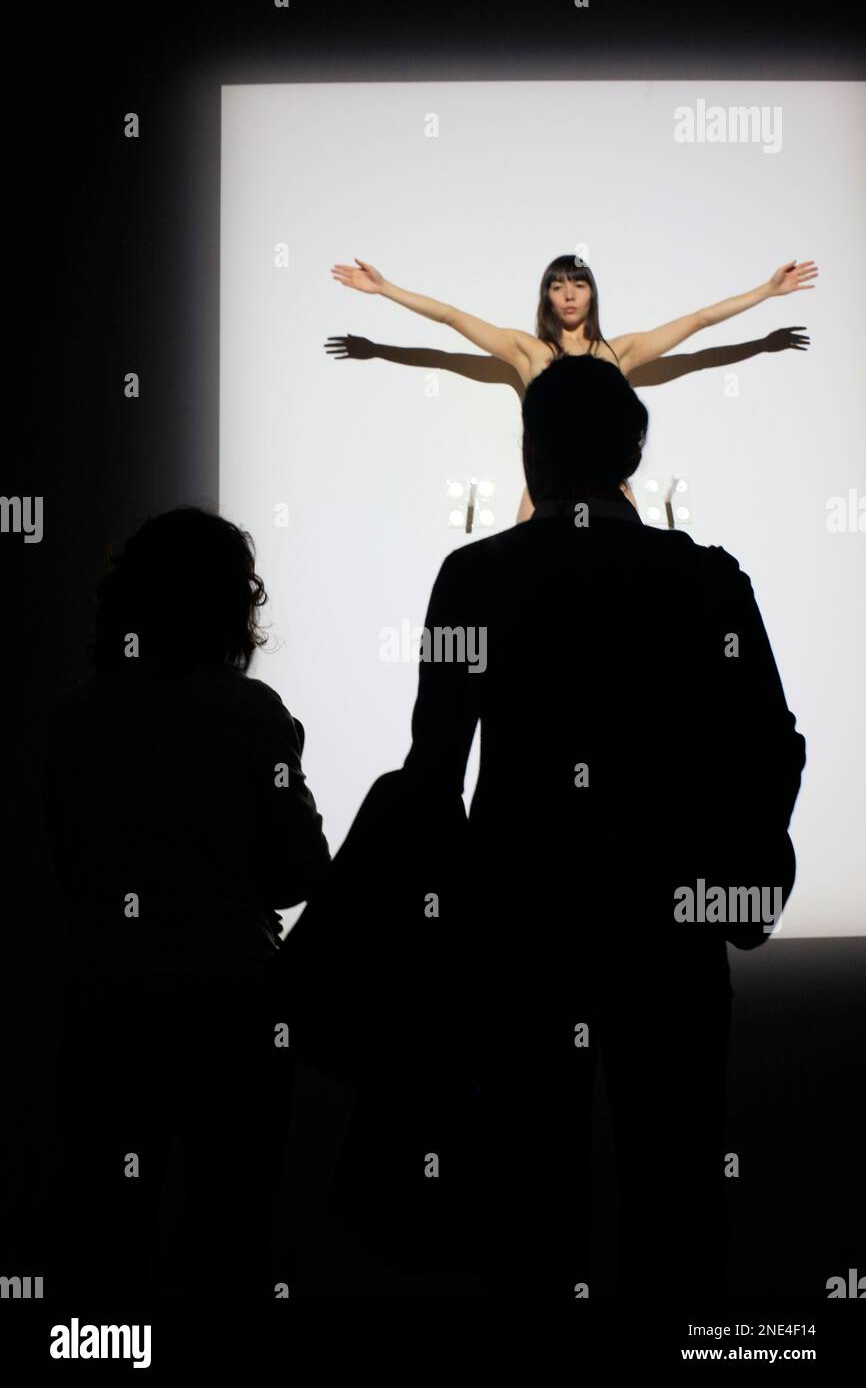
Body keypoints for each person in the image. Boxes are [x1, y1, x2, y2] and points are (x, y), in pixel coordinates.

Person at [397, 352, 807, 1298]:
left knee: (528, 1209)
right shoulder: (705, 579)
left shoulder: (473, 577)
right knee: (679, 1203)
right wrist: (737, 877)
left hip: (519, 936)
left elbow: (432, 774)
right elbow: (772, 745)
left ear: (532, 454)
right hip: (669, 930)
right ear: (633, 451)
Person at [38, 506, 331, 1299]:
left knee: (106, 1243)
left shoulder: (71, 720)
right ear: (233, 606)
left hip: (106, 1007)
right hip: (232, 1008)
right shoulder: (249, 715)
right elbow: (301, 871)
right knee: (229, 1243)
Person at [330, 251, 818, 520]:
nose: (568, 294)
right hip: (546, 486)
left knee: (627, 584)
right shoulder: (528, 351)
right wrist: (385, 289)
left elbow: (699, 322)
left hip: (611, 486)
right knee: (524, 588)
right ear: (547, 294)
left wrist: (768, 292)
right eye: (558, 285)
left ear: (591, 294)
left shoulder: (617, 352)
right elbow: (451, 319)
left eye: (578, 284)